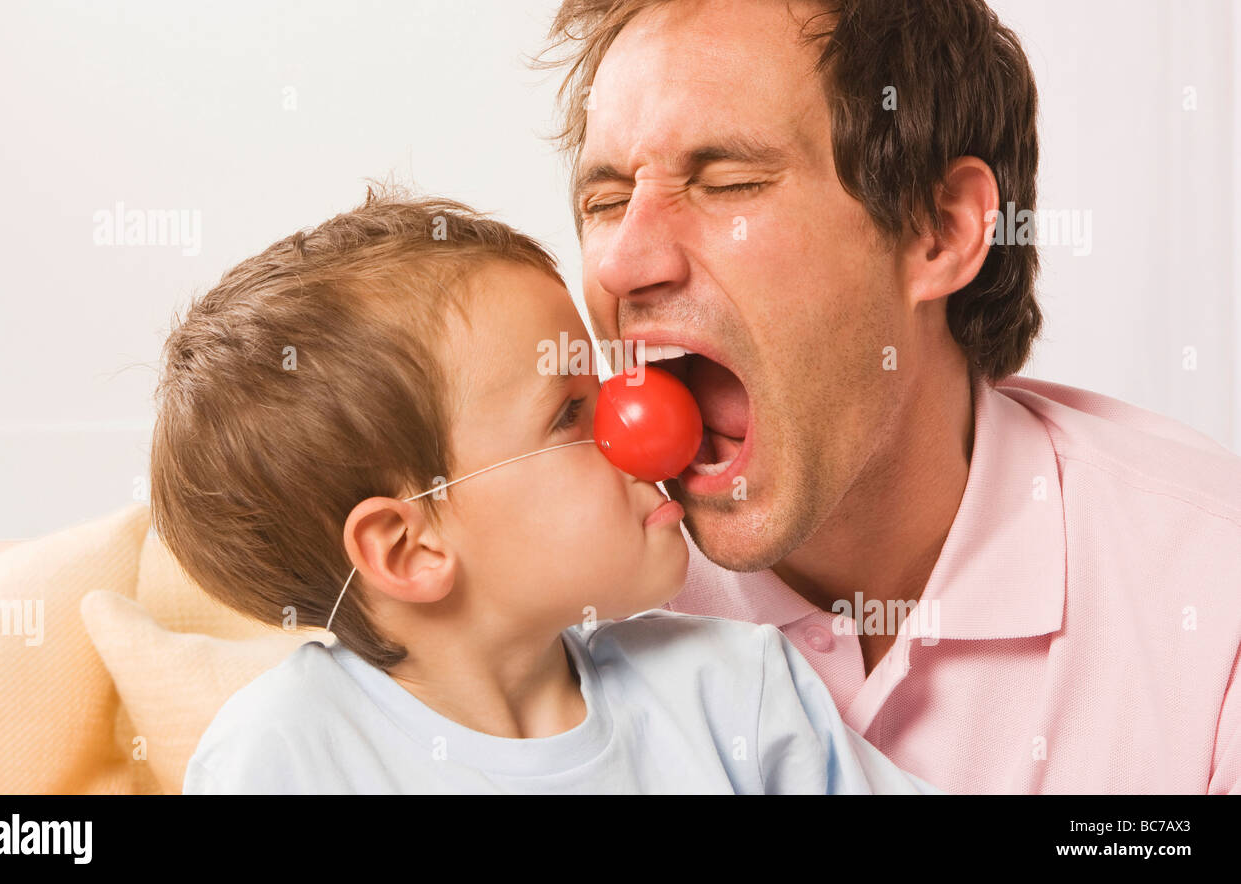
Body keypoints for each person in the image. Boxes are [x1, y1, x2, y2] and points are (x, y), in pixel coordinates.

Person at [537, 0, 1241, 792]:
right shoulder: (546, 589)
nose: (618, 264)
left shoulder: (1213, 596)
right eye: (606, 200)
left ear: (940, 231)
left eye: (727, 184)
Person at [152, 187, 940, 794]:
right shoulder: (288, 755)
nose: (647, 419)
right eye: (571, 411)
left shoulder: (735, 691)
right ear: (408, 545)